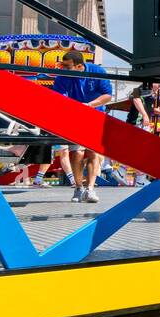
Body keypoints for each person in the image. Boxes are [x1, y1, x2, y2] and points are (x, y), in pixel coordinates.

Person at [50, 49, 114, 204]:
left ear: (80, 66)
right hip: (75, 116)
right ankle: (78, 187)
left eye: (67, 66)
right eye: (63, 65)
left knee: (93, 153)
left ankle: (90, 189)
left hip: (95, 114)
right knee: (77, 153)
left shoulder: (97, 71)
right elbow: (58, 99)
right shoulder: (63, 76)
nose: (64, 68)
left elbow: (107, 95)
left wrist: (89, 105)